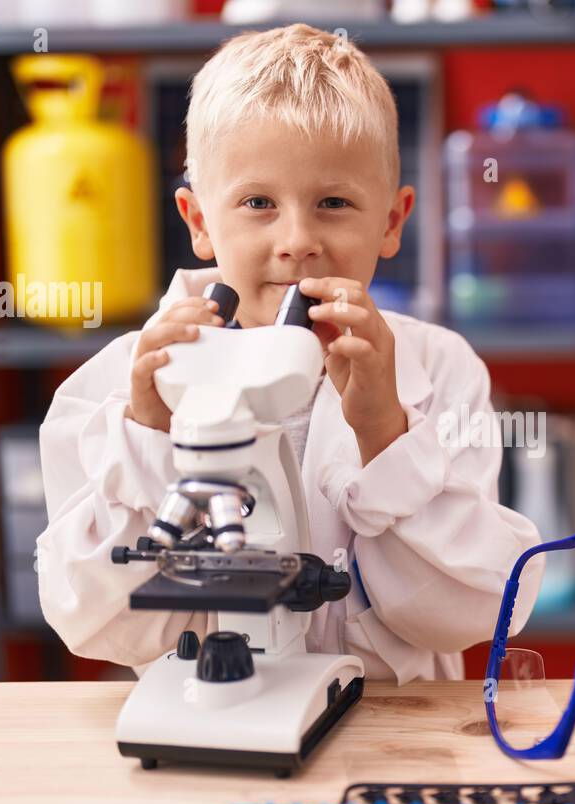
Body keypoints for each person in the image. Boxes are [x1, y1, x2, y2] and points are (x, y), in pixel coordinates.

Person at [36, 23, 543, 682]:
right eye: (257, 203)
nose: (298, 239)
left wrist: (385, 432)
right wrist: (148, 439)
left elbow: (471, 613)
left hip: (394, 738)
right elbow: (94, 623)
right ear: (197, 221)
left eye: (333, 202)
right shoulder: (111, 387)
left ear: (391, 221)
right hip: (217, 741)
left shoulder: (441, 370)